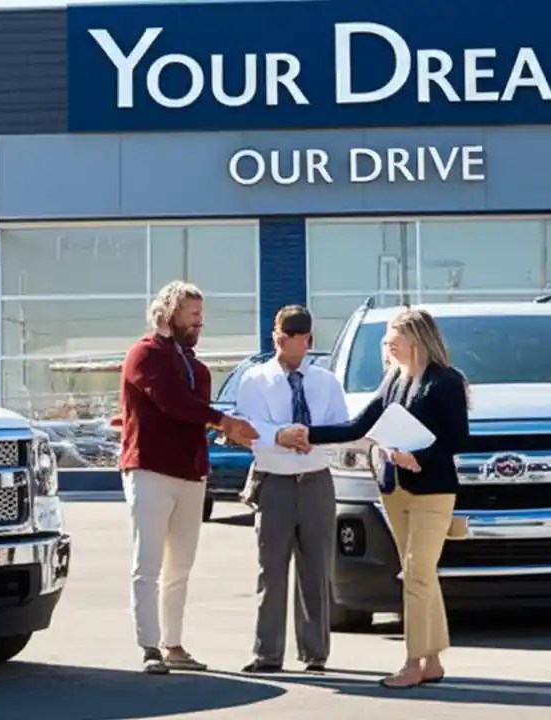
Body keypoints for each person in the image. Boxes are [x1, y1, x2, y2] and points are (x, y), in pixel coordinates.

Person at [296, 308, 470, 689]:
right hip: (395, 489)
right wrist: (306, 434)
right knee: (420, 574)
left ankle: (412, 663)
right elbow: (358, 426)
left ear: (416, 340)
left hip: (433, 488)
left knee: (416, 571)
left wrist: (418, 458)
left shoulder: (445, 382)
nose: (388, 347)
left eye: (394, 339)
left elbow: (458, 439)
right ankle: (433, 659)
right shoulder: (393, 380)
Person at [118, 280, 260, 675]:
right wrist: (222, 420)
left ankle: (173, 644)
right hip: (149, 470)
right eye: (193, 314)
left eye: (201, 315)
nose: (201, 322)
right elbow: (171, 403)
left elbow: (193, 415)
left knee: (179, 565)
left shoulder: (196, 368)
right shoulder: (143, 355)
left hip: (191, 474)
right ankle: (149, 646)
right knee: (147, 563)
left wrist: (226, 428)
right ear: (169, 314)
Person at [234, 305, 348, 674]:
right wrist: (279, 436)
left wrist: (312, 439)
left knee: (315, 569)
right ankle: (267, 654)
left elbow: (341, 429)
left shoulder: (327, 382)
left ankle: (315, 653)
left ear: (308, 340)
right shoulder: (255, 379)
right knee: (271, 569)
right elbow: (248, 427)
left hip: (316, 480)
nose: (284, 342)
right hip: (275, 482)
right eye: (280, 335)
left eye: (294, 336)